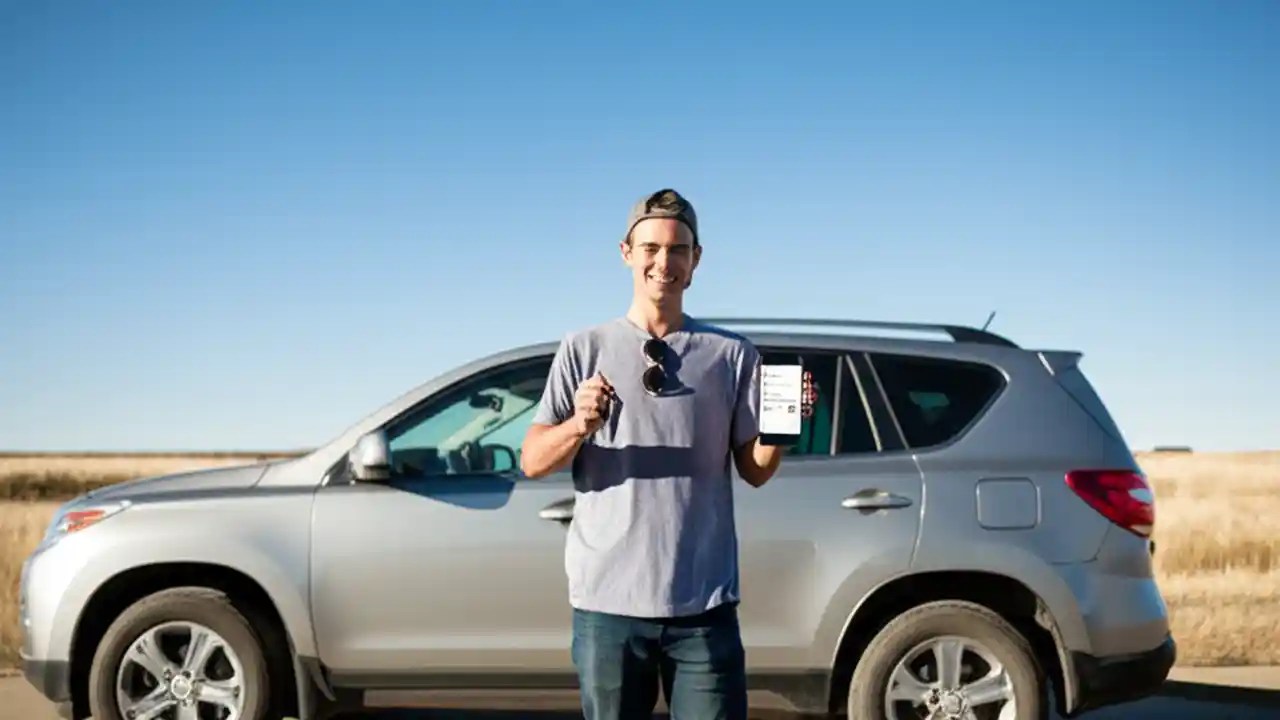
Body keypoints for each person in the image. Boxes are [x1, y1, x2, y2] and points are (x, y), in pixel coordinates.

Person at [520, 188, 792, 720]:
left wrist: (780, 430)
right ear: (626, 253)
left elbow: (754, 472)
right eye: (650, 248)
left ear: (696, 259)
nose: (662, 262)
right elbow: (532, 459)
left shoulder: (732, 355)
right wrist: (579, 423)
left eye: (677, 249)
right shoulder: (583, 348)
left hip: (704, 609)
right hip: (608, 609)